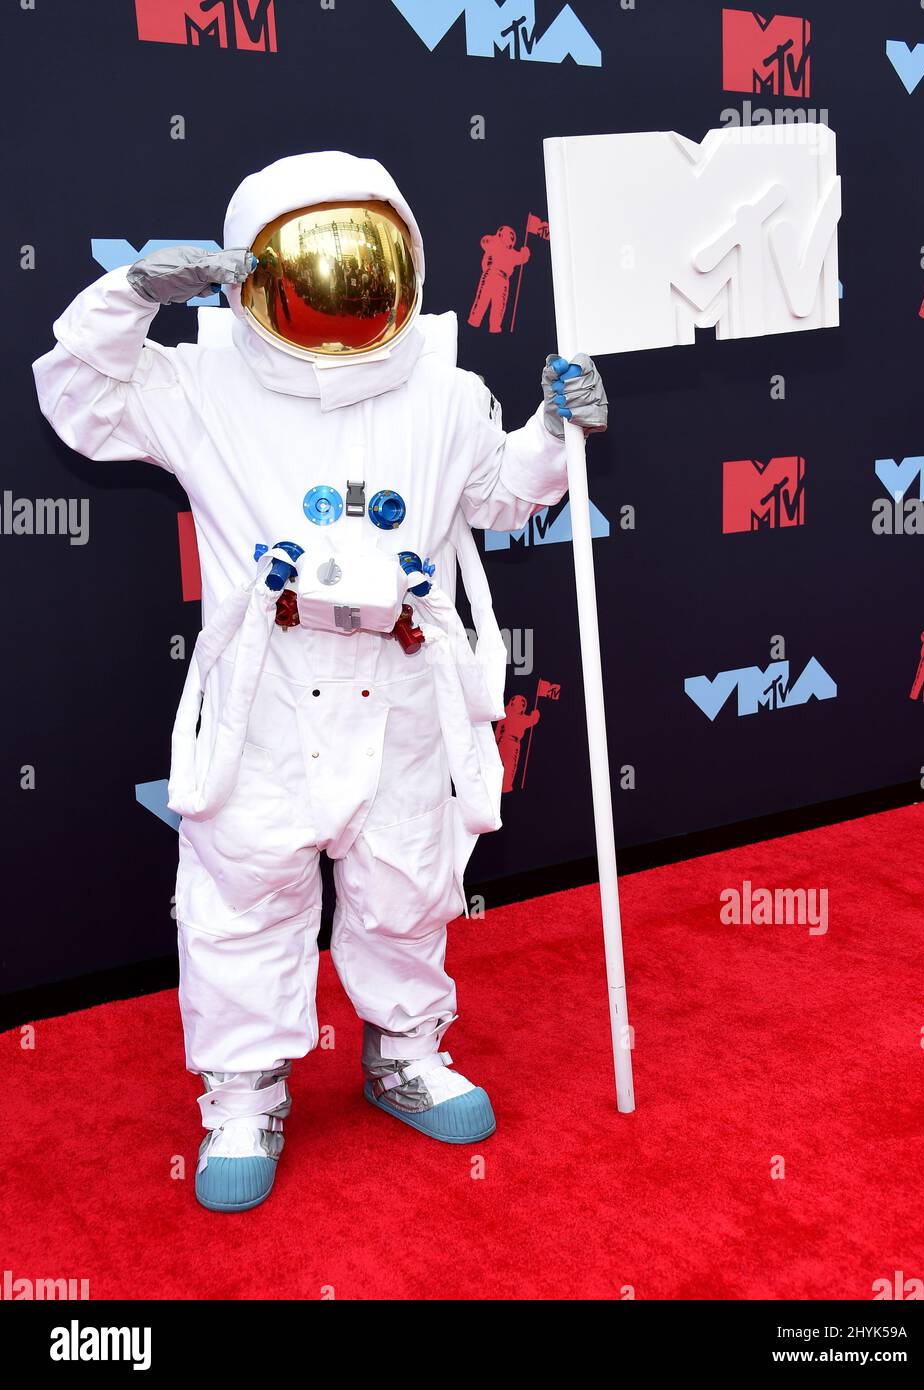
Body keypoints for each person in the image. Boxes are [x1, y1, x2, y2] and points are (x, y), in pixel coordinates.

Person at [32, 151, 607, 1213]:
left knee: (407, 881)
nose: (343, 301)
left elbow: (500, 497)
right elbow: (76, 396)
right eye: (310, 271)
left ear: (410, 263)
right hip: (267, 681)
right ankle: (243, 1092)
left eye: (368, 266)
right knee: (245, 888)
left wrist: (554, 432)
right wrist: (130, 298)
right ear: (253, 277)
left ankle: (404, 1051)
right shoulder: (200, 381)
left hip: (399, 680)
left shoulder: (444, 391)